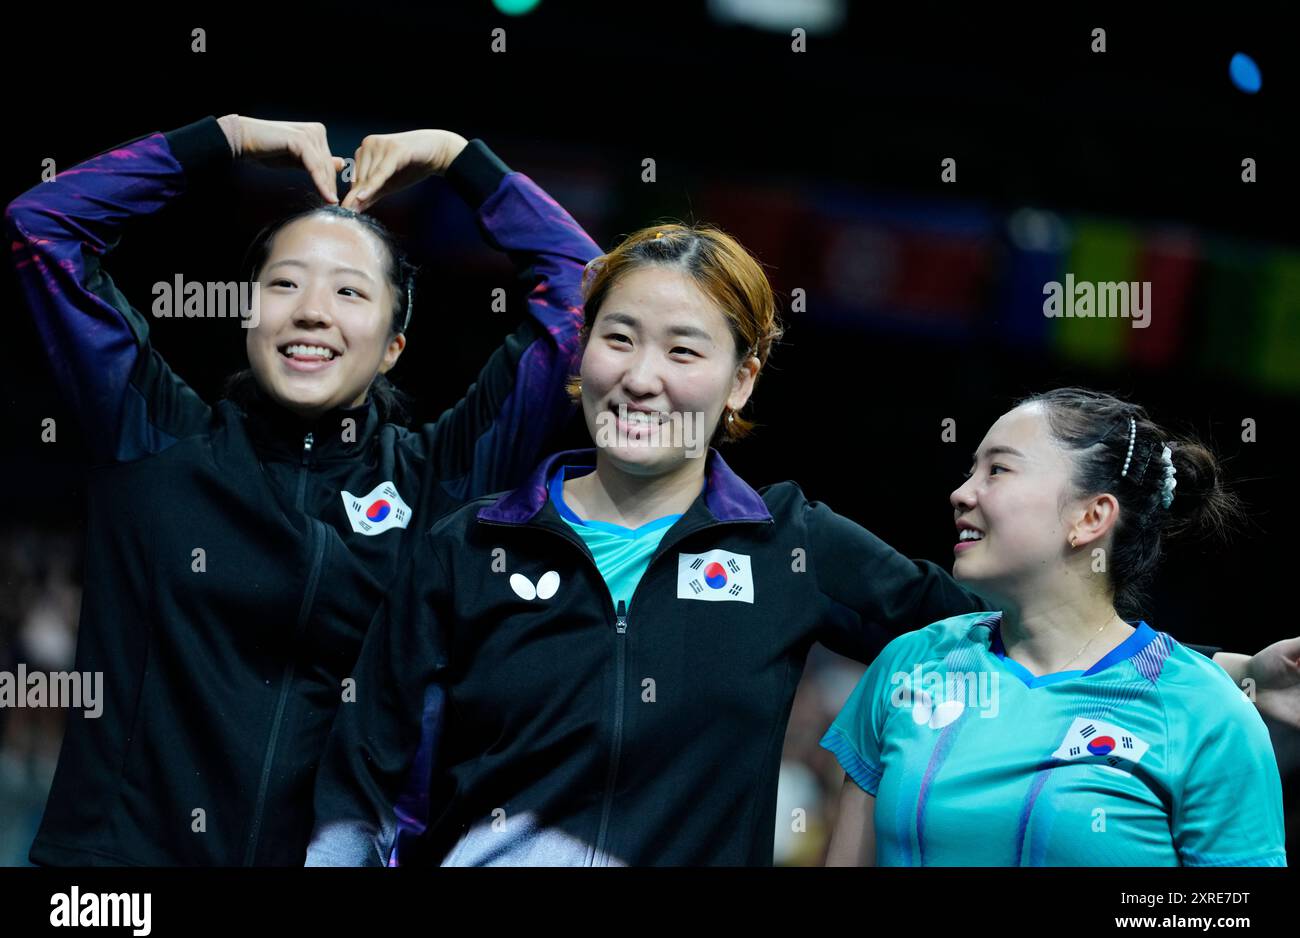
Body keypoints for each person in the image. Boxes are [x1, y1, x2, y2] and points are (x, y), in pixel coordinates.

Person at [305, 225, 1294, 866]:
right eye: (618, 338)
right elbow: (363, 784)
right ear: (578, 359)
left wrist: (1227, 672)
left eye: (685, 349)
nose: (643, 376)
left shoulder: (791, 544)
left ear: (741, 381)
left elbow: (1025, 625)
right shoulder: (463, 546)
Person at [3, 113, 602, 865]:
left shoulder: (442, 478)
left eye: (350, 292)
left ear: (392, 348)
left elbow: (591, 295)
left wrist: (459, 160)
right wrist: (225, 139)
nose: (312, 310)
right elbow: (42, 224)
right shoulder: (151, 438)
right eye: (283, 284)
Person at [822, 388, 1288, 866]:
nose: (961, 494)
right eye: (971, 471)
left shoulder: (1209, 713)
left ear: (1091, 517)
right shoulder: (910, 664)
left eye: (998, 470)